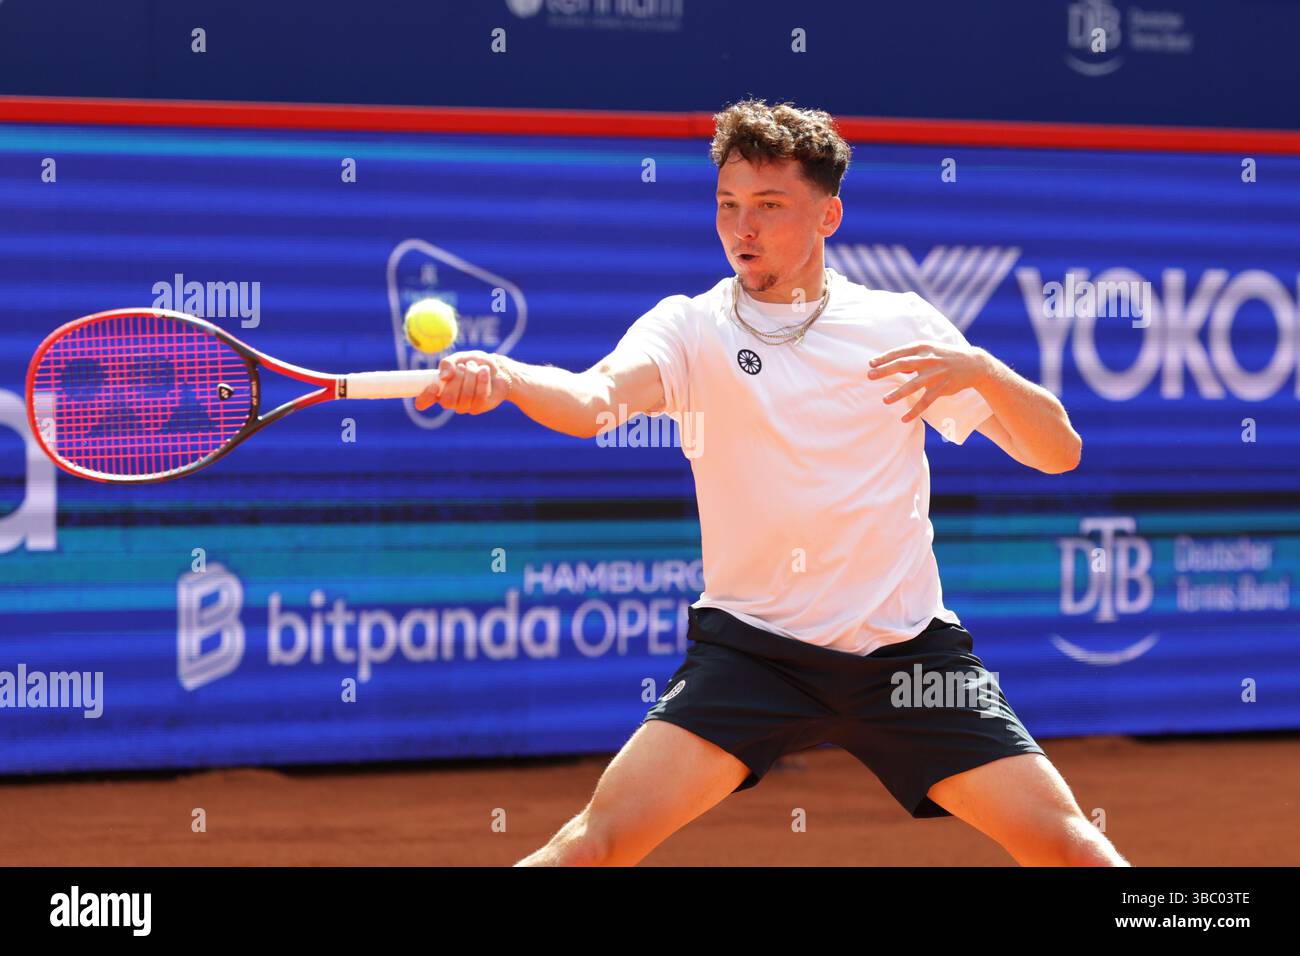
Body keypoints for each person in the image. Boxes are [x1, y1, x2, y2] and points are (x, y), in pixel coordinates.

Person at [416, 99, 1129, 867]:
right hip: (753, 658)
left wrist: (984, 370)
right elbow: (595, 404)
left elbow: (1060, 453)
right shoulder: (691, 328)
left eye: (767, 206)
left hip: (907, 659)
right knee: (596, 844)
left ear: (828, 217)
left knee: (1069, 846)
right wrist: (507, 376)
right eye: (727, 205)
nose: (741, 228)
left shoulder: (898, 325)